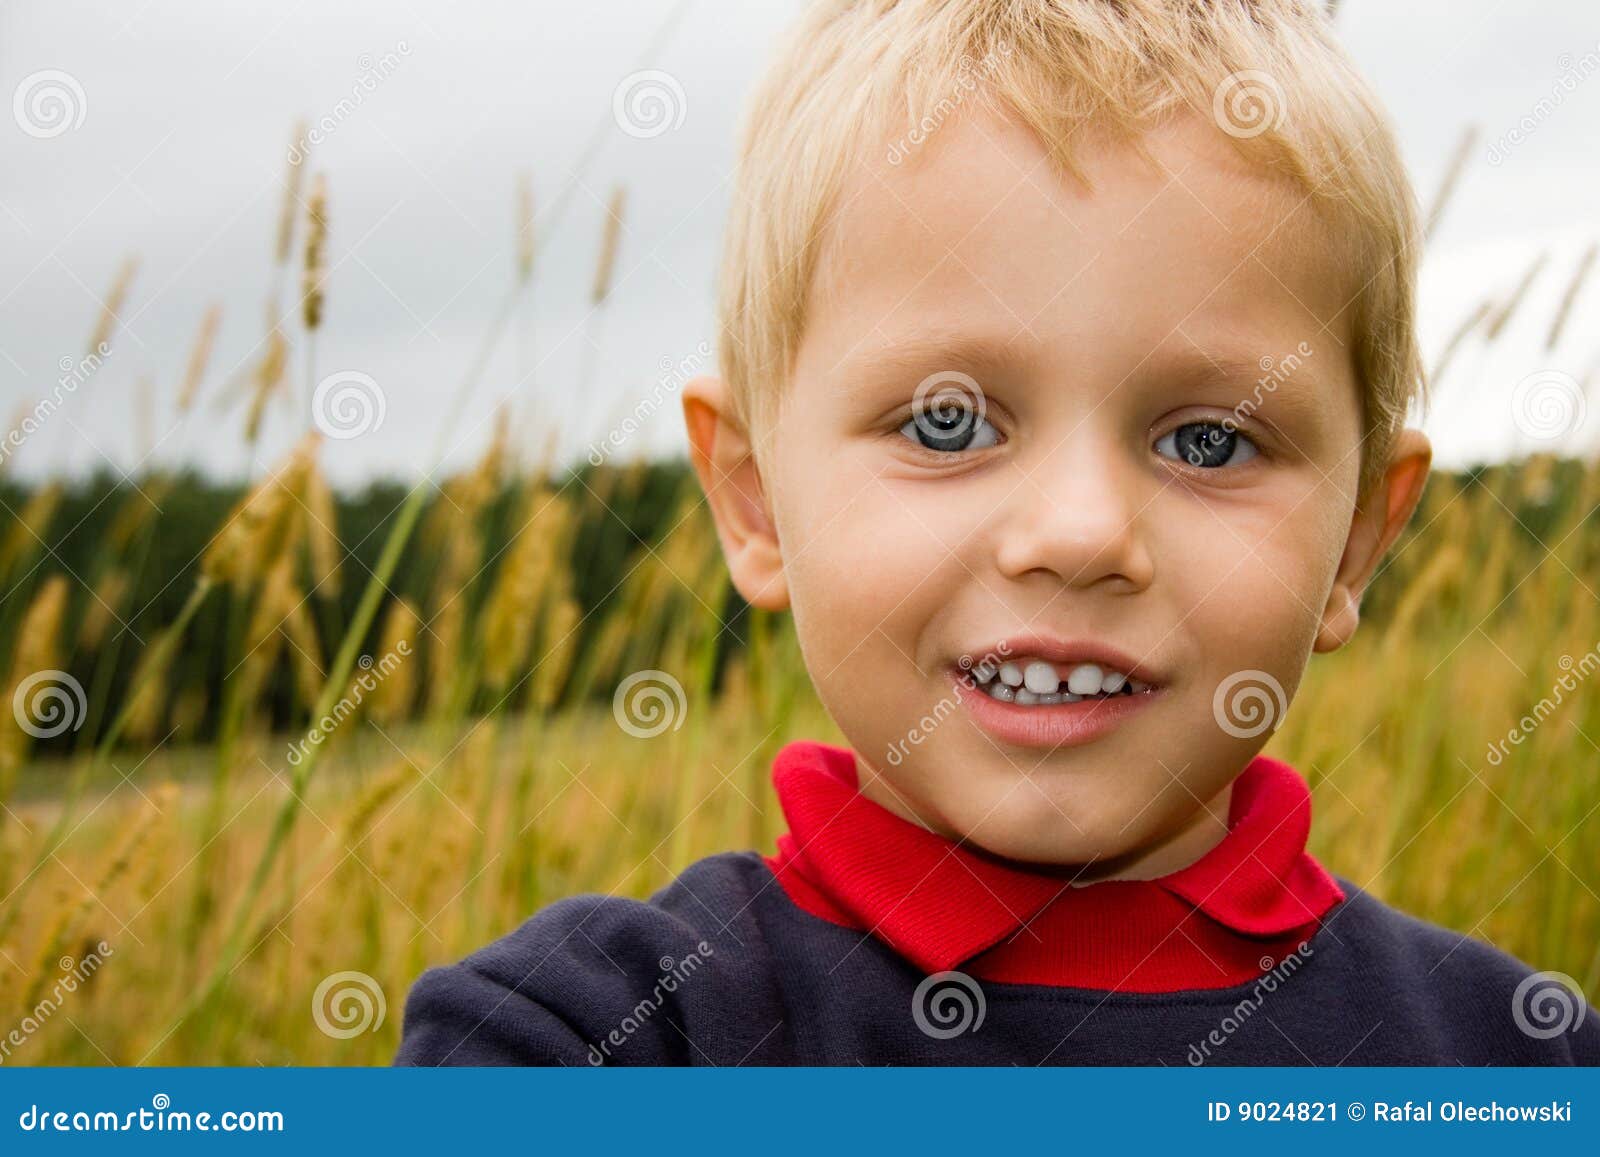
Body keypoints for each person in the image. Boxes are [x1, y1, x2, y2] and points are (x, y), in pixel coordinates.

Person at [395, 0, 1600, 1065]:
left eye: (1209, 441)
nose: (1078, 532)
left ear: (1352, 542)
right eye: (947, 420)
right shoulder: (596, 1036)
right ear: (756, 502)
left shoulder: (1508, 1056)